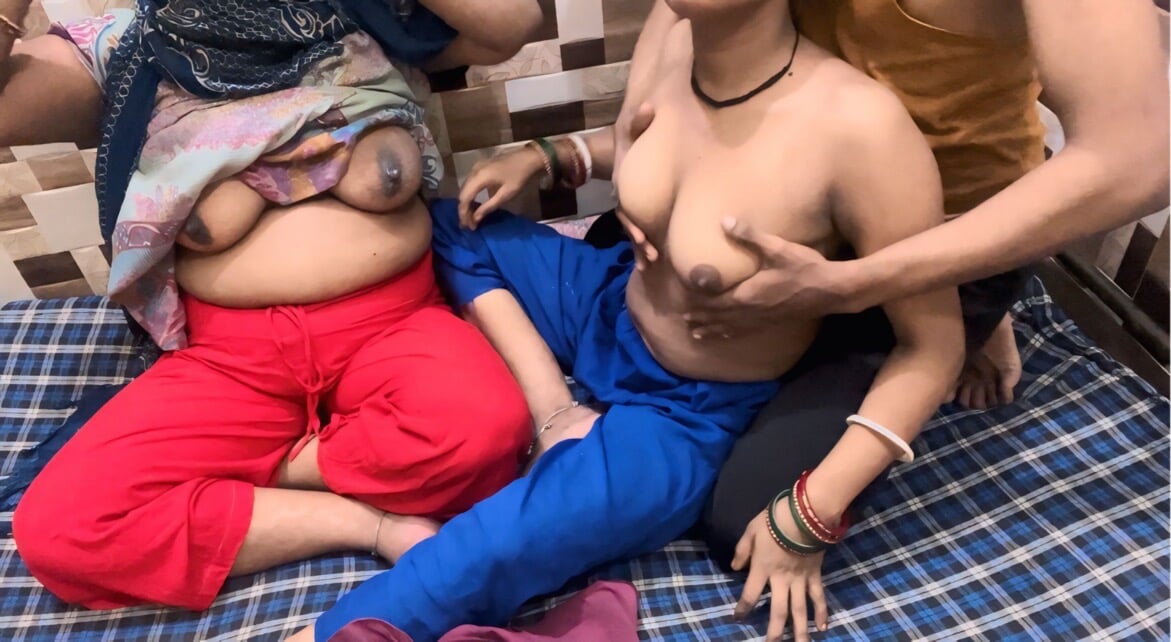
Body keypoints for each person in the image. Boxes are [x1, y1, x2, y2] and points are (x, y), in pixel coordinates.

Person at [291, 1, 965, 641]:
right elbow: (662, 144)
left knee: (500, 543)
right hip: (607, 303)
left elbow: (933, 348)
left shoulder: (861, 128)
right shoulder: (676, 36)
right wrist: (545, 156)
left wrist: (814, 509)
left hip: (686, 410)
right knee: (445, 223)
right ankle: (554, 411)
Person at [594, 0, 1168, 637]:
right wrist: (634, 124)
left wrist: (856, 286)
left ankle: (978, 308)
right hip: (809, 193)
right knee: (624, 251)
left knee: (748, 512)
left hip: (940, 238)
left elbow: (1140, 159)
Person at [3, 0, 543, 612]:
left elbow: (513, 24)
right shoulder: (125, 50)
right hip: (231, 362)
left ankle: (261, 477)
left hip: (394, 324)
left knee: (486, 434)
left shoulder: (372, 17)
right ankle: (363, 520)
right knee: (62, 529)